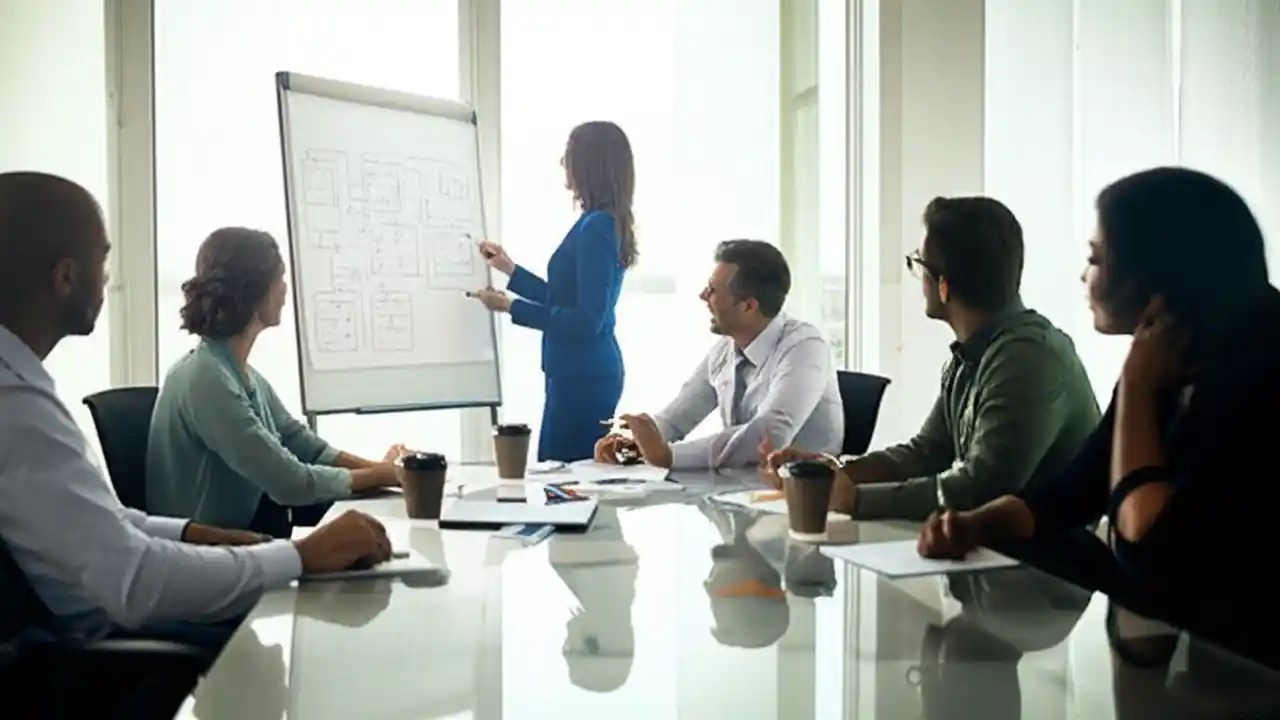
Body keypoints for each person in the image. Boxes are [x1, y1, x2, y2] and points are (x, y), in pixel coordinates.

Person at [0, 171, 390, 642]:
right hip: (109, 648)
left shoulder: (22, 390)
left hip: (131, 610)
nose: (107, 276)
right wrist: (300, 557)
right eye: (102, 260)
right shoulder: (15, 407)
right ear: (65, 277)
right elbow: (134, 581)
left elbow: (107, 521)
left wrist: (199, 536)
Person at [915, 168, 1280, 666]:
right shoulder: (1182, 356)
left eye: (1096, 259)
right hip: (1188, 651)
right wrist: (974, 525)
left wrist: (1136, 384)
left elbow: (1151, 547)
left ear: (1156, 277)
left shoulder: (1255, 368)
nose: (1084, 277)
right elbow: (1073, 491)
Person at [763, 197, 1098, 520]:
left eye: (918, 264)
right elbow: (927, 453)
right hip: (991, 552)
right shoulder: (972, 354)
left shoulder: (1028, 357)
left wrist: (857, 500)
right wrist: (832, 473)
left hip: (1046, 565)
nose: (915, 275)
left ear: (944, 287)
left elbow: (983, 486)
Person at [146, 227, 404, 539]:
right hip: (208, 564)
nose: (284, 291)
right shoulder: (206, 380)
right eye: (280, 279)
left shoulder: (239, 372)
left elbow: (306, 447)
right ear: (254, 290)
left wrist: (386, 473)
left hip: (242, 547)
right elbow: (291, 483)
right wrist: (383, 474)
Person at [469, 121, 636, 462]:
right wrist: (510, 269)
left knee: (563, 481)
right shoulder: (599, 221)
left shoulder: (596, 227)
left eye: (569, 155)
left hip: (584, 376)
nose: (564, 163)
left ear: (590, 163)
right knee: (562, 478)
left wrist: (511, 307)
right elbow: (565, 298)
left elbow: (587, 319)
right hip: (578, 372)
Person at [596, 239, 842, 470]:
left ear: (748, 305)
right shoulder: (727, 347)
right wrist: (632, 444)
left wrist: (669, 456)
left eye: (712, 290)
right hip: (739, 489)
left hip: (803, 496)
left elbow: (771, 433)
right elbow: (677, 418)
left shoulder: (805, 347)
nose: (703, 296)